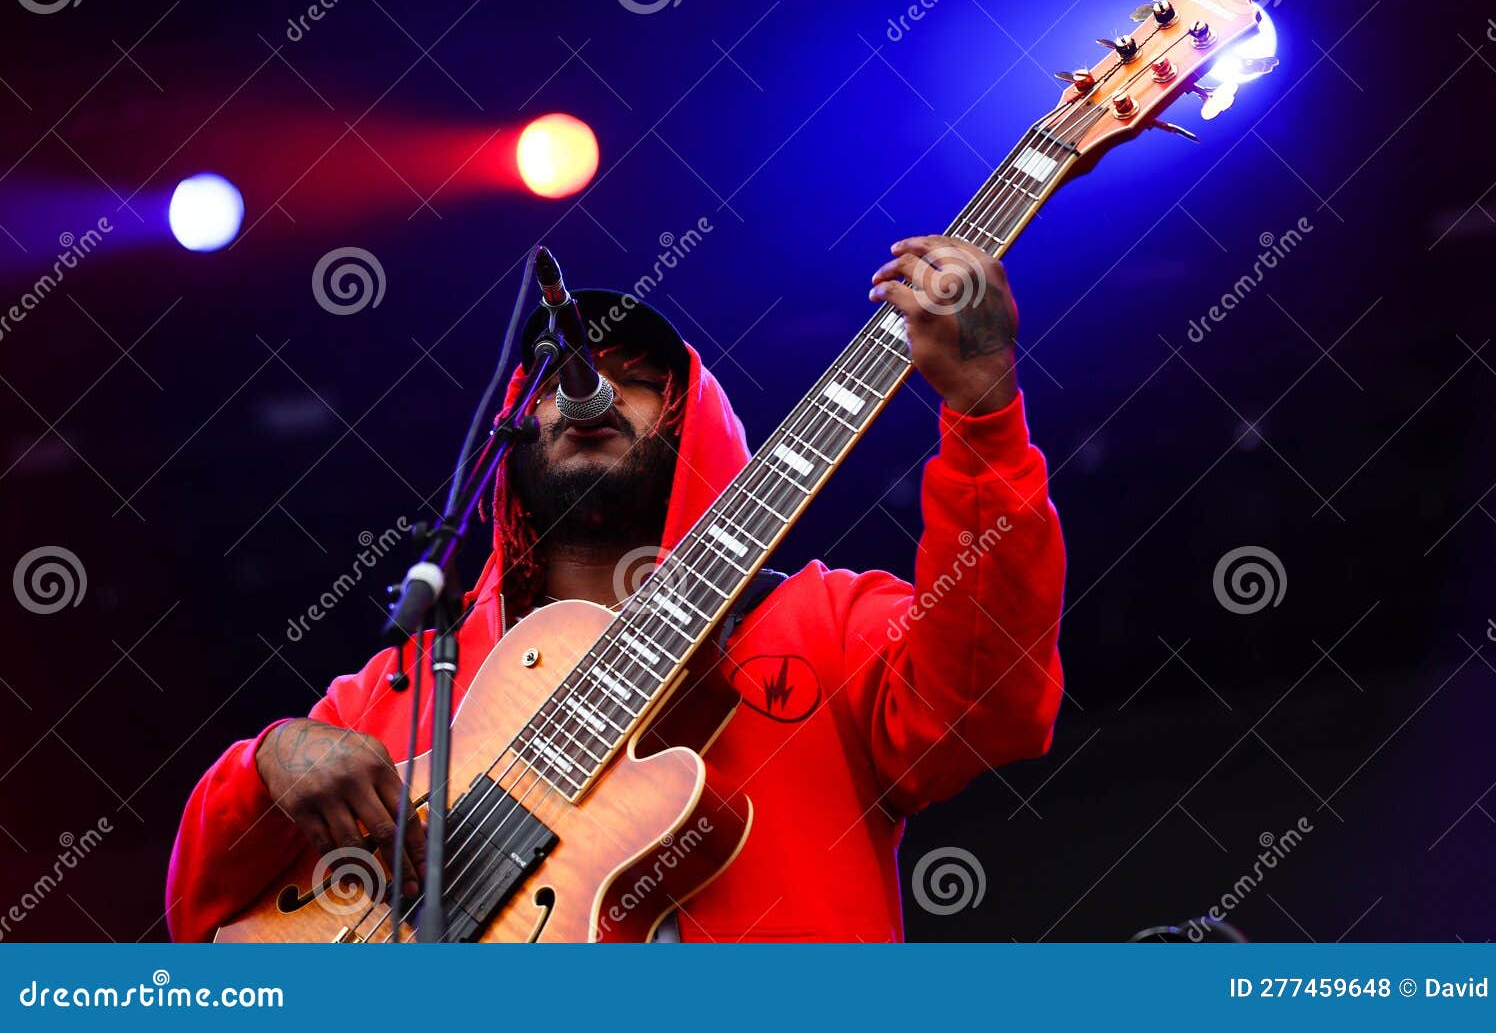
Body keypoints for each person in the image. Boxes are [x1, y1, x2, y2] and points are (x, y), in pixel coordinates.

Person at [166, 235, 1066, 942]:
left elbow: (990, 706)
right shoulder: (414, 682)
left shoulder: (821, 622)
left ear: (696, 433)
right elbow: (205, 914)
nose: (590, 395)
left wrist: (984, 414)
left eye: (638, 386)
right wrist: (268, 761)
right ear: (514, 435)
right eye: (559, 384)